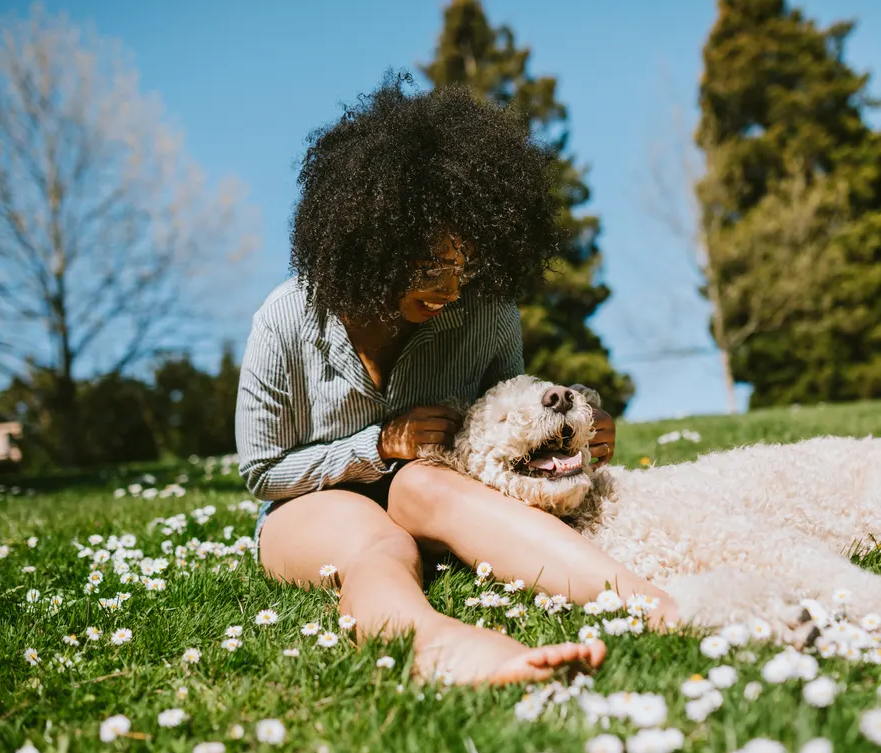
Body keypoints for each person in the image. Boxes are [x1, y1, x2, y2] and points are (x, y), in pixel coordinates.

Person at [236, 72, 678, 686]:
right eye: (427, 268)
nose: (449, 288)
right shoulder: (286, 318)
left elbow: (513, 422)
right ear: (370, 245)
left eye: (461, 266)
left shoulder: (489, 314)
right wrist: (377, 447)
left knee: (423, 484)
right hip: (313, 508)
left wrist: (574, 437)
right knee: (378, 543)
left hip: (435, 490)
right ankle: (438, 647)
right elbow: (263, 472)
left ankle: (657, 606)